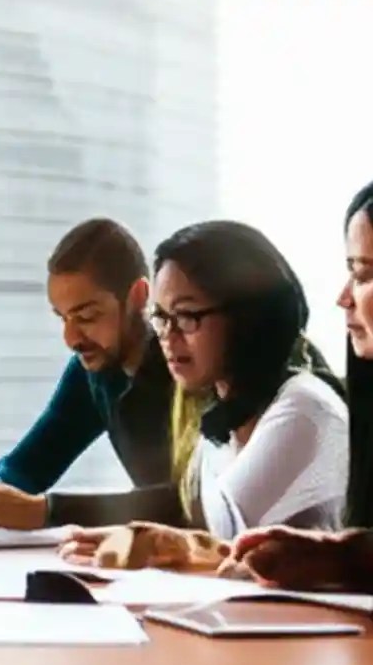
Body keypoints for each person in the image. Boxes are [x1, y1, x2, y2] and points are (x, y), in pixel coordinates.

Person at [60, 220, 350, 567]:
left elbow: (219, 544)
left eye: (185, 317)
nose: (167, 336)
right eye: (161, 317)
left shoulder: (304, 410)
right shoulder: (219, 420)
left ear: (248, 318)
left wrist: (142, 543)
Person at [0, 218, 191, 530]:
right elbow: (32, 462)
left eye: (88, 316)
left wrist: (47, 511)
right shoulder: (95, 372)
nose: (71, 338)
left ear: (139, 297)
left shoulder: (185, 365)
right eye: (63, 318)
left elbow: (193, 501)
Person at [224, 181, 373, 591]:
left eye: (365, 274)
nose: (344, 297)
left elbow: (227, 517)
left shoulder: (303, 405)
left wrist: (343, 559)